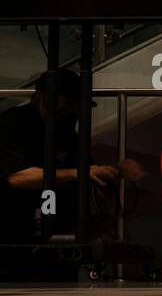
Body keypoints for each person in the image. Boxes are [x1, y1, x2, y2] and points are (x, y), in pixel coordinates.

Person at [0, 68, 142, 245]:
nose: (73, 110)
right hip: (13, 231)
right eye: (68, 102)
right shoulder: (14, 124)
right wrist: (78, 173)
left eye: (77, 105)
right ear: (45, 97)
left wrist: (116, 171)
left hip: (59, 233)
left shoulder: (67, 134)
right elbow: (17, 177)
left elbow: (88, 171)